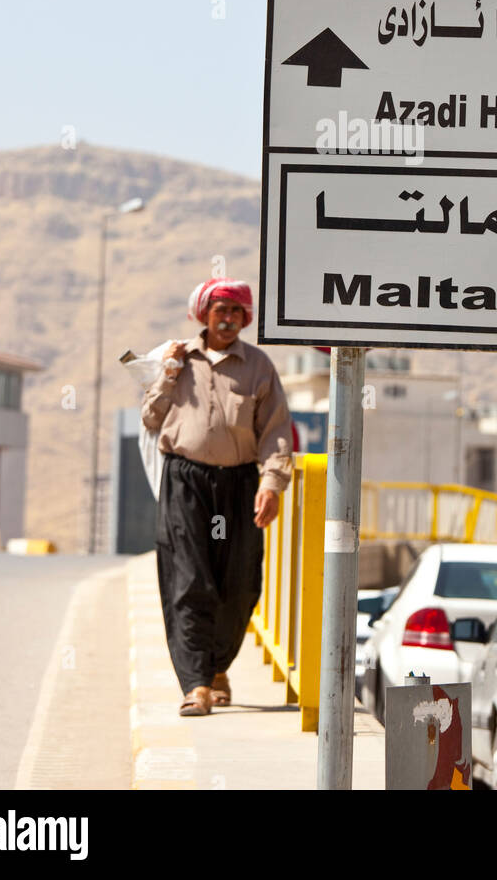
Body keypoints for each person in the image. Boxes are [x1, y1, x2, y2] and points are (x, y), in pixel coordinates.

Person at [141, 277, 293, 716]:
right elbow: (151, 418)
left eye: (236, 313)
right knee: (189, 579)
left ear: (246, 319)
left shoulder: (260, 367)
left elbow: (276, 431)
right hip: (186, 483)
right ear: (202, 314)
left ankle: (218, 665)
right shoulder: (178, 359)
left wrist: (271, 484)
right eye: (220, 311)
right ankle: (196, 684)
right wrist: (168, 374)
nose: (228, 319)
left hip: (239, 485)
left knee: (240, 582)